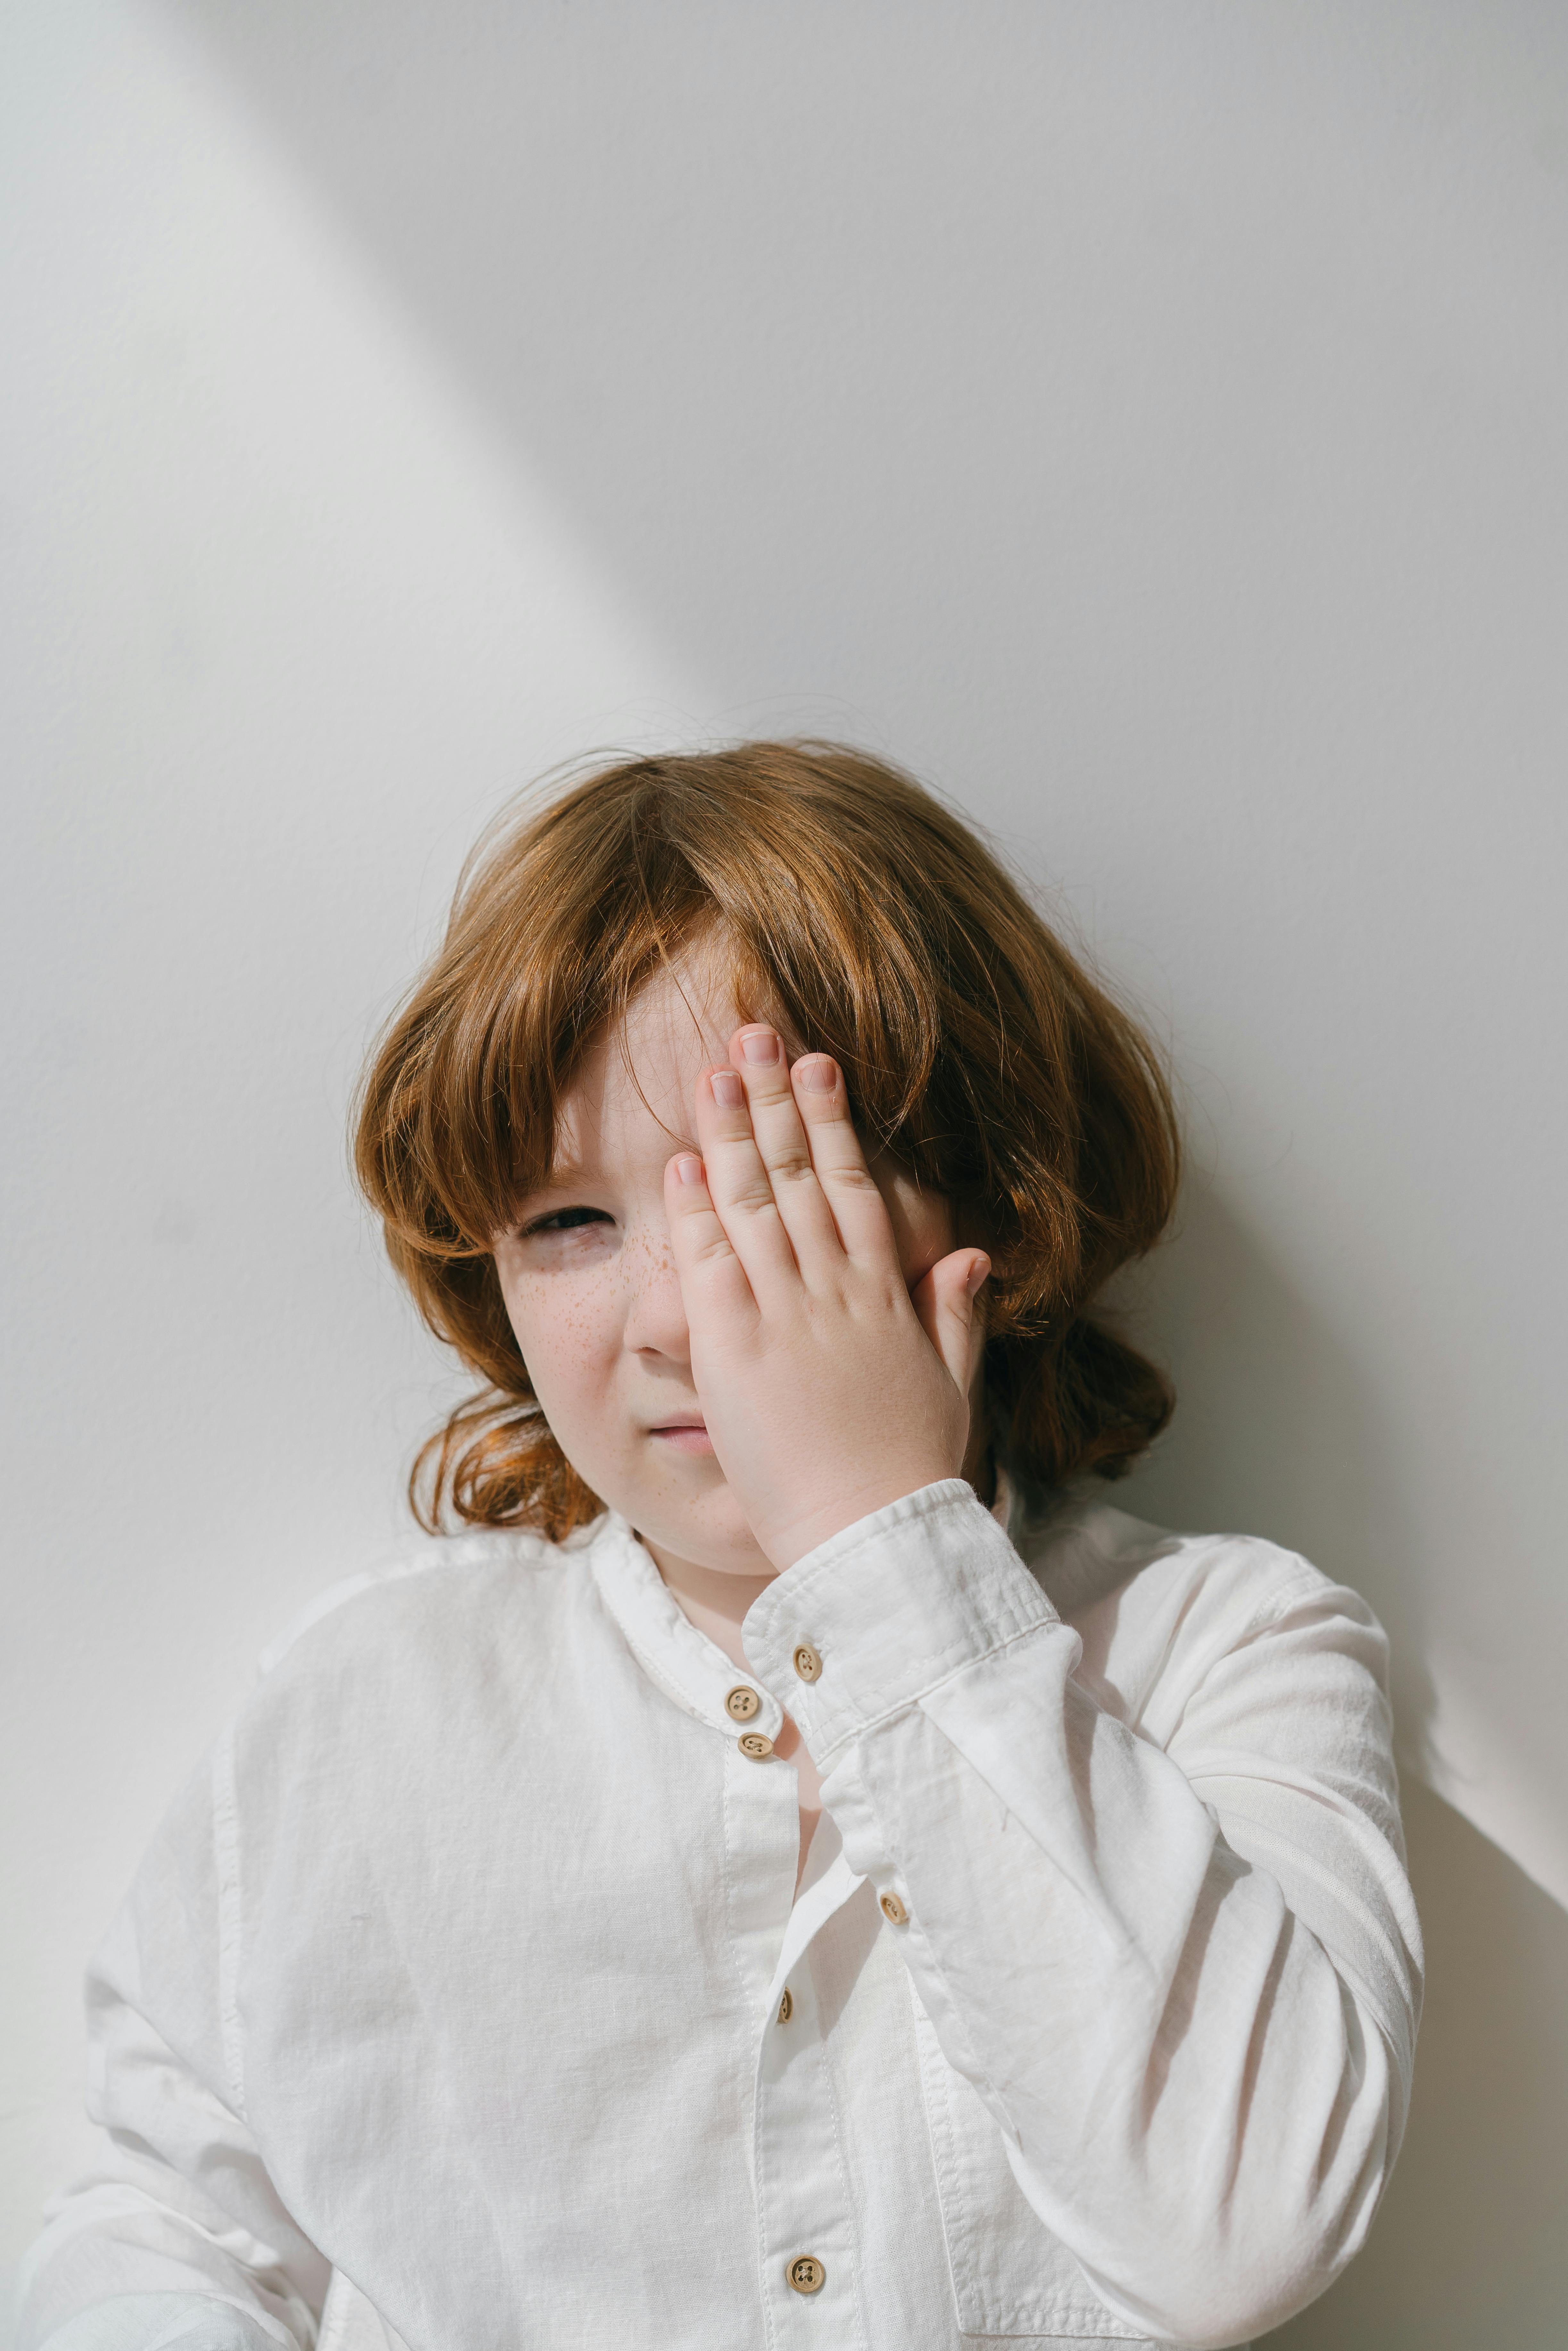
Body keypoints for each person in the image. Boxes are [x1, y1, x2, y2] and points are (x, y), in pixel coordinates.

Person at [17, 743, 1421, 2351]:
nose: (685, 1317)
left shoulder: (1229, 1648)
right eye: (570, 1225)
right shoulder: (364, 1705)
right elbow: (167, 2209)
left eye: (773, 1192)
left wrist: (874, 1533)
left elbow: (1236, 2239)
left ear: (991, 1203)